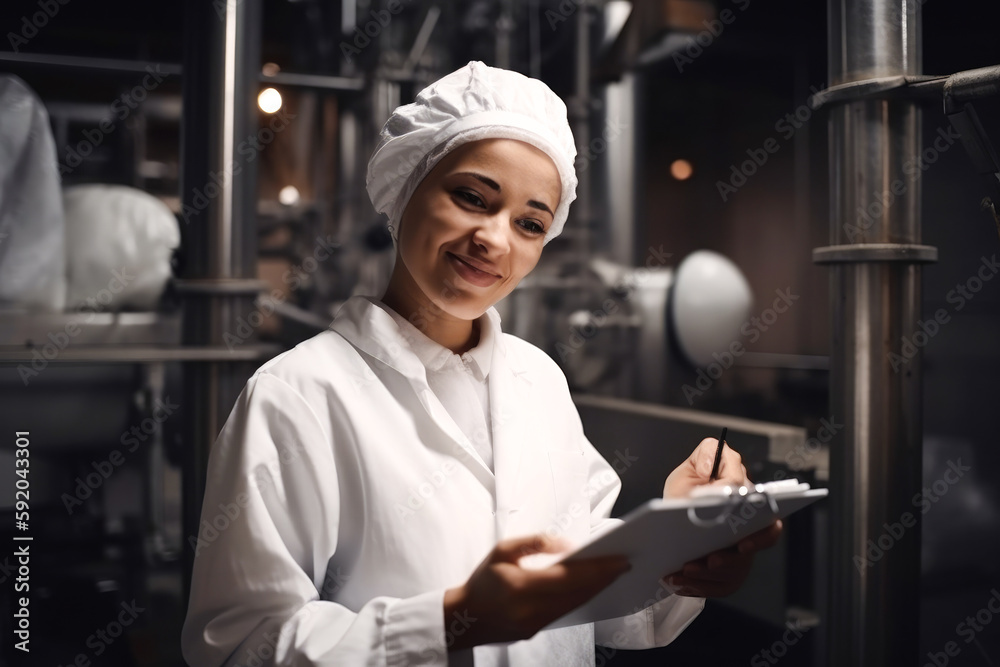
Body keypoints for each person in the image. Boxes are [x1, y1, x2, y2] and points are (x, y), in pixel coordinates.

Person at [181, 61, 781, 667]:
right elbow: (240, 646)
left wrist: (681, 550)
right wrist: (448, 623)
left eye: (530, 223)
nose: (495, 240)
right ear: (407, 186)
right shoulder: (299, 394)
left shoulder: (538, 379)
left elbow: (586, 588)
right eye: (472, 197)